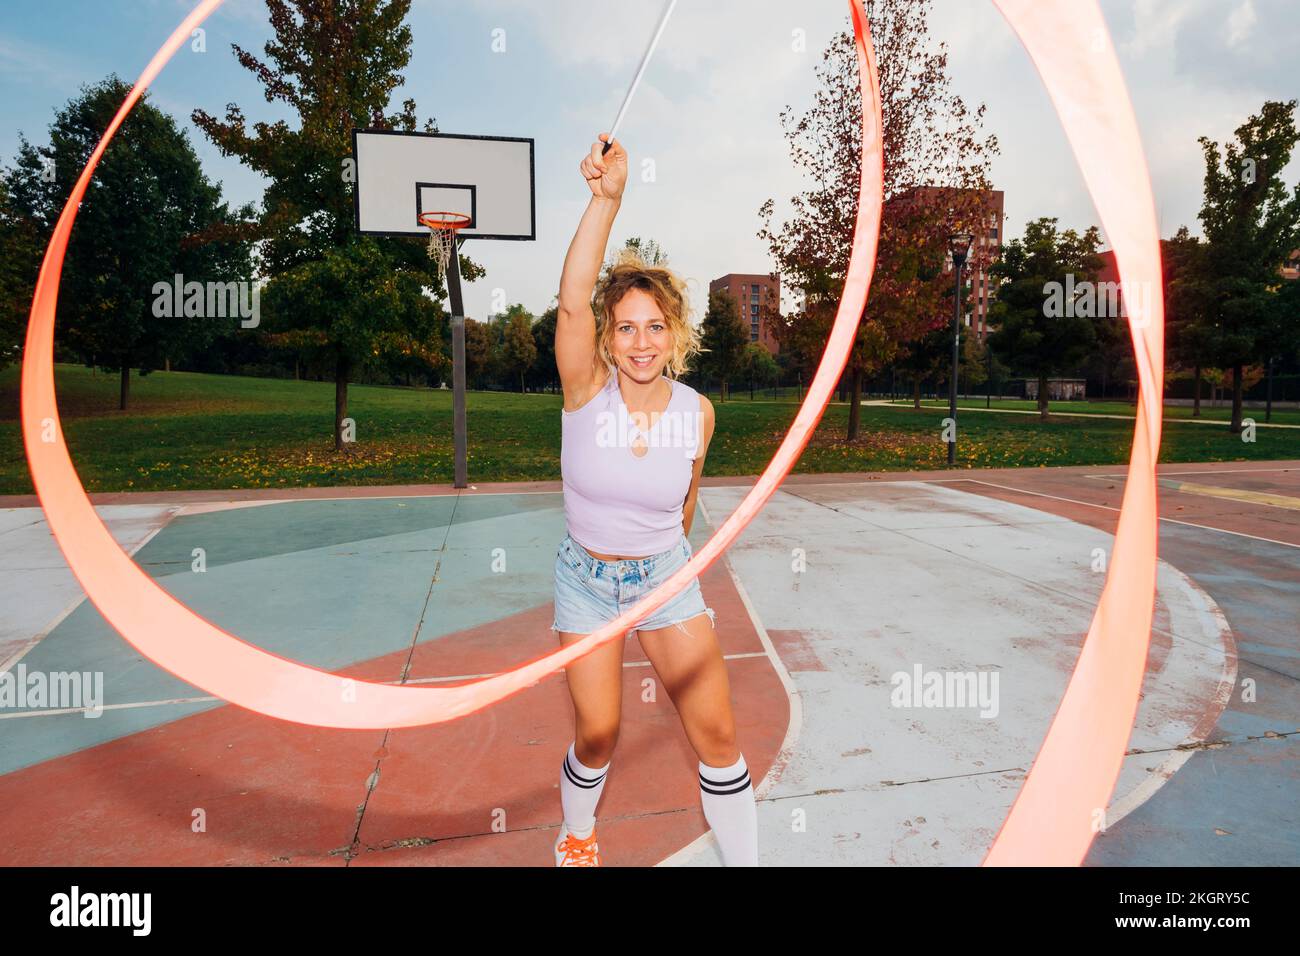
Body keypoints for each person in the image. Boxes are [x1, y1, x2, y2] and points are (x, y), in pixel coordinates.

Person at [549, 132, 758, 868]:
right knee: (598, 733)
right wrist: (607, 200)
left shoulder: (697, 414)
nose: (641, 342)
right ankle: (578, 834)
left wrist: (668, 576)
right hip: (587, 581)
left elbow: (682, 511)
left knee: (720, 736)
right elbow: (572, 303)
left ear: (675, 334)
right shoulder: (584, 393)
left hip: (664, 578)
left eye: (655, 327)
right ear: (608, 338)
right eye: (626, 328)